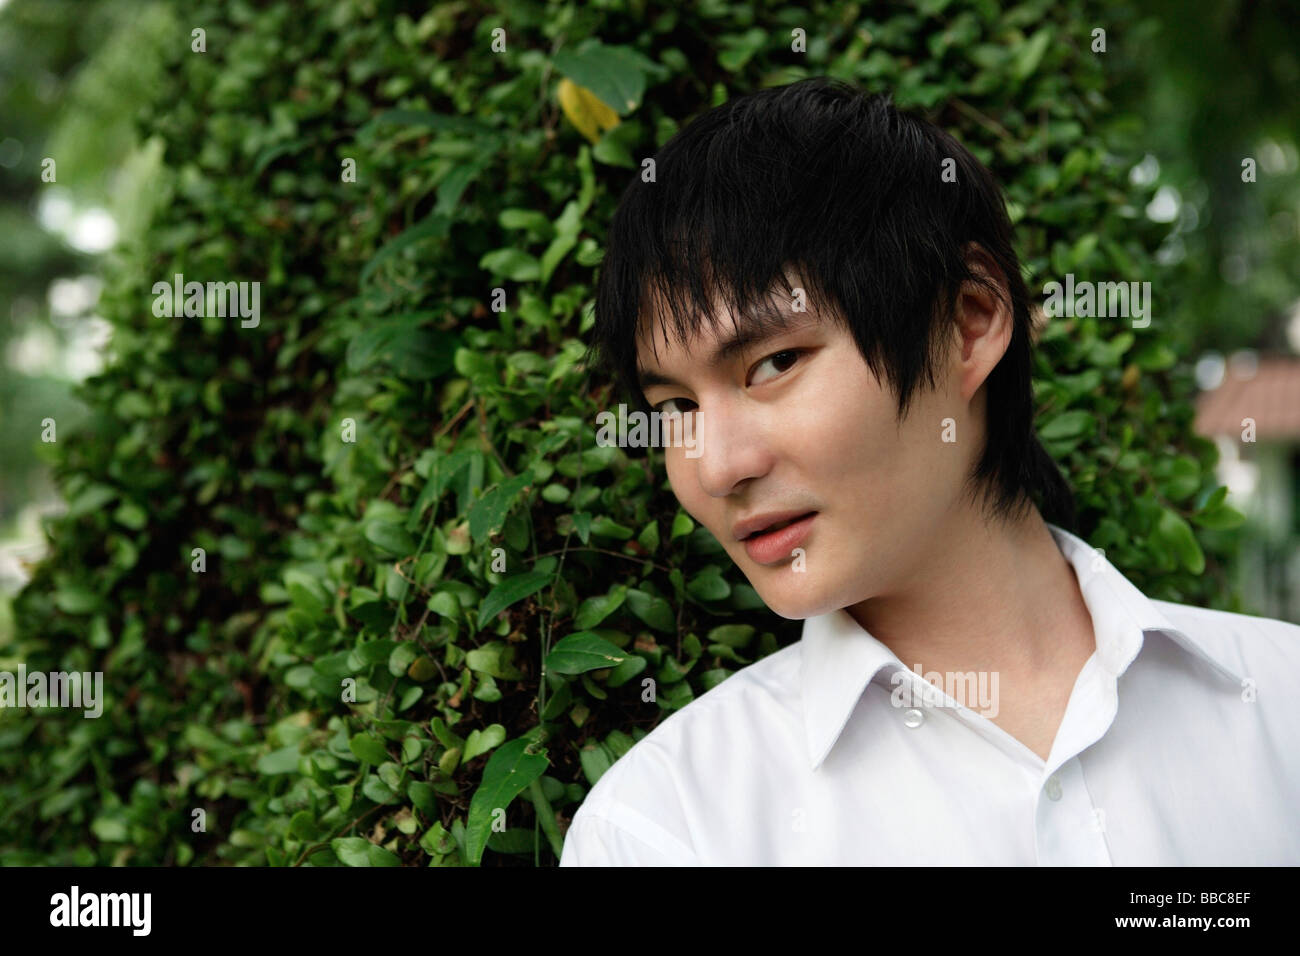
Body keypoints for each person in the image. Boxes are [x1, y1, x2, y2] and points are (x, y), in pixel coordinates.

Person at [560, 77, 1300, 865]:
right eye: (676, 407)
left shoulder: (1280, 708)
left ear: (967, 324)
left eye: (774, 362)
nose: (716, 467)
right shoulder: (666, 827)